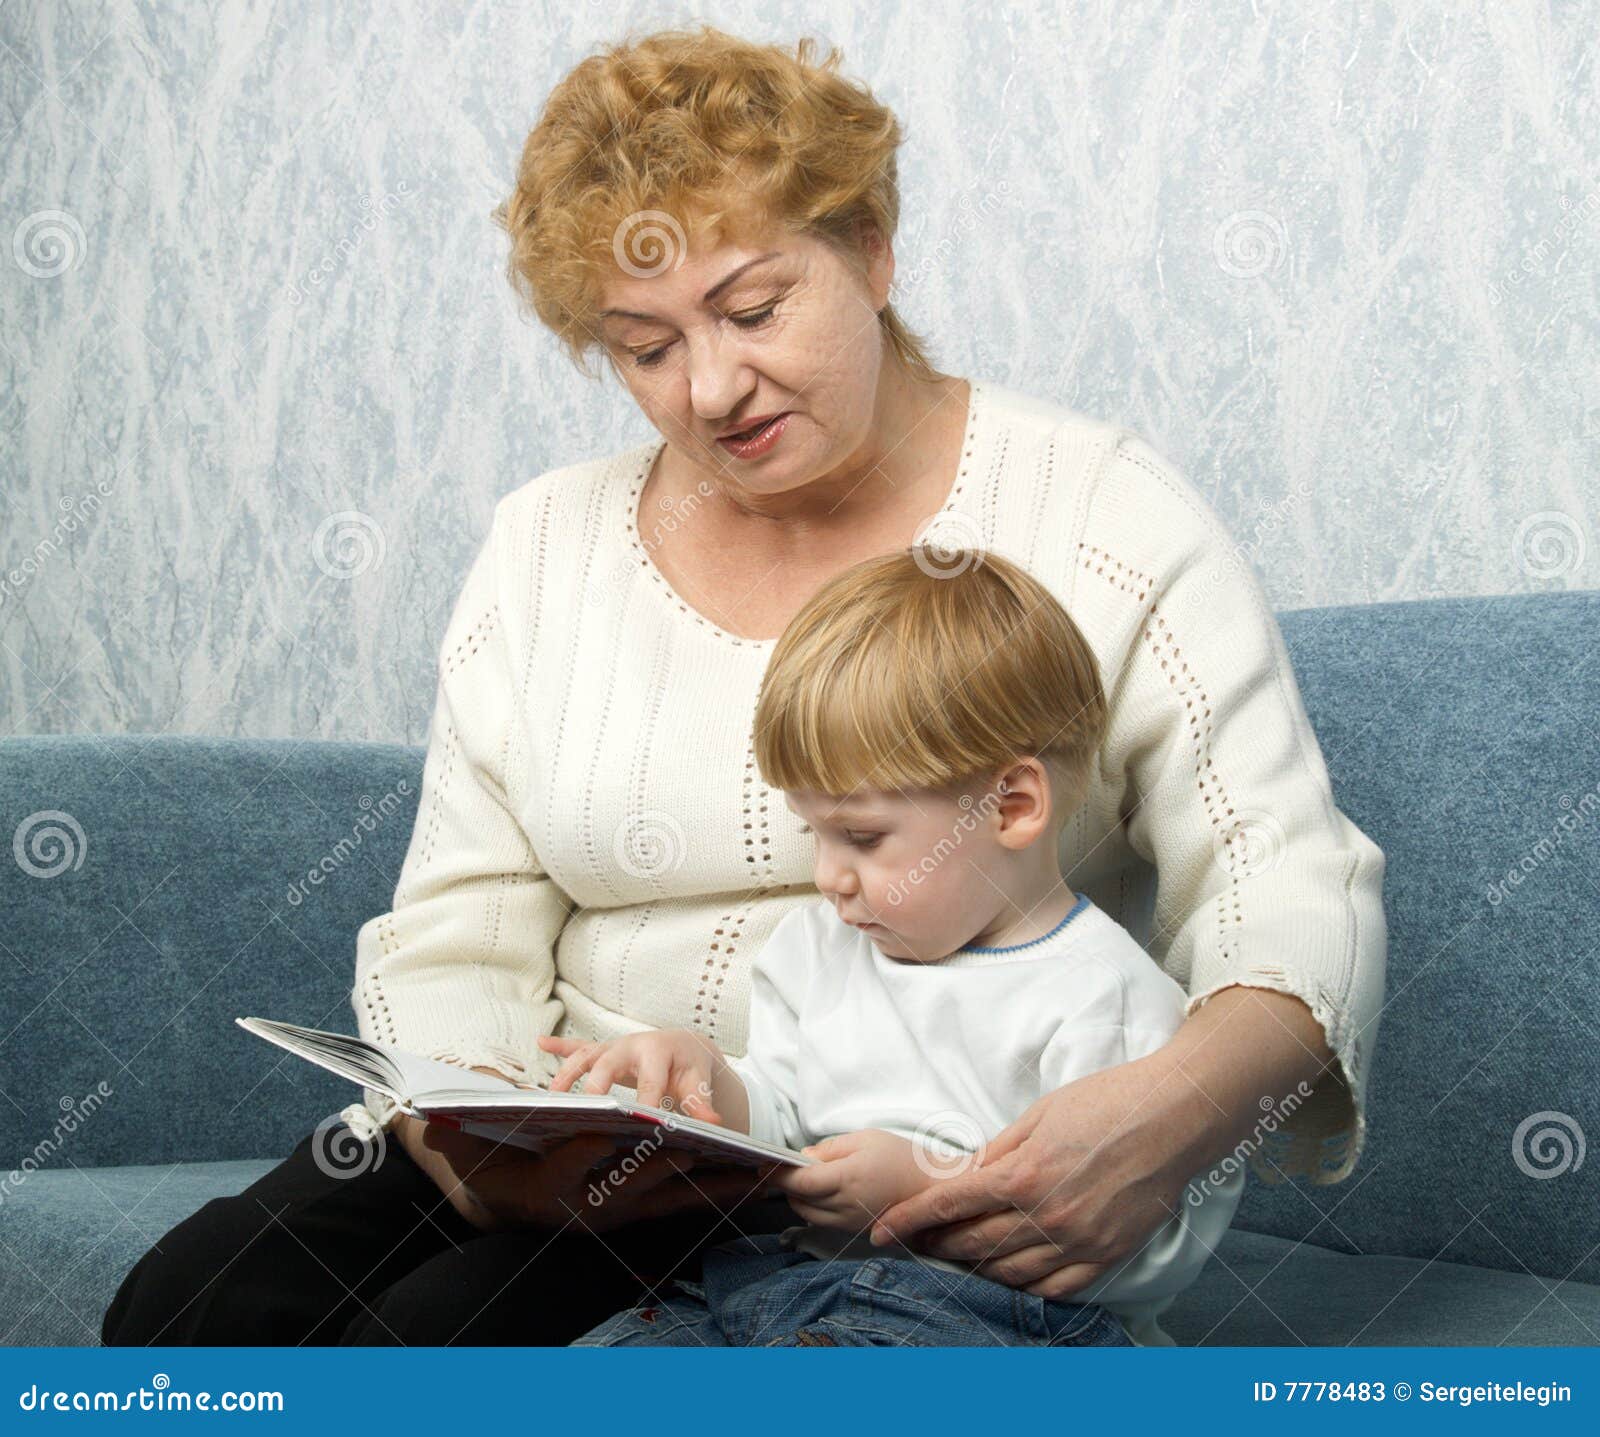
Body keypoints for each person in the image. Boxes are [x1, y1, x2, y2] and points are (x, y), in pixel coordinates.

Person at [102, 24, 1385, 1347]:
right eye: (645, 346)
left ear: (874, 252)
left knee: (433, 1345)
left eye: (754, 309)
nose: (712, 388)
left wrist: (1169, 1119)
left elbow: (1279, 871)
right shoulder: (545, 544)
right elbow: (455, 928)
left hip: (854, 1168)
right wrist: (476, 1130)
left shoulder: (1101, 510)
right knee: (187, 1305)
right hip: (569, 1121)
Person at [548, 546, 1245, 1347]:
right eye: (812, 832)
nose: (828, 877)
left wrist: (918, 1187)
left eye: (861, 836)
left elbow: (1152, 1246)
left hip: (998, 1323)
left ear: (1012, 806)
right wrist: (709, 1082)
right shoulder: (817, 949)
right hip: (783, 1285)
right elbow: (783, 1120)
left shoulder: (1104, 993)